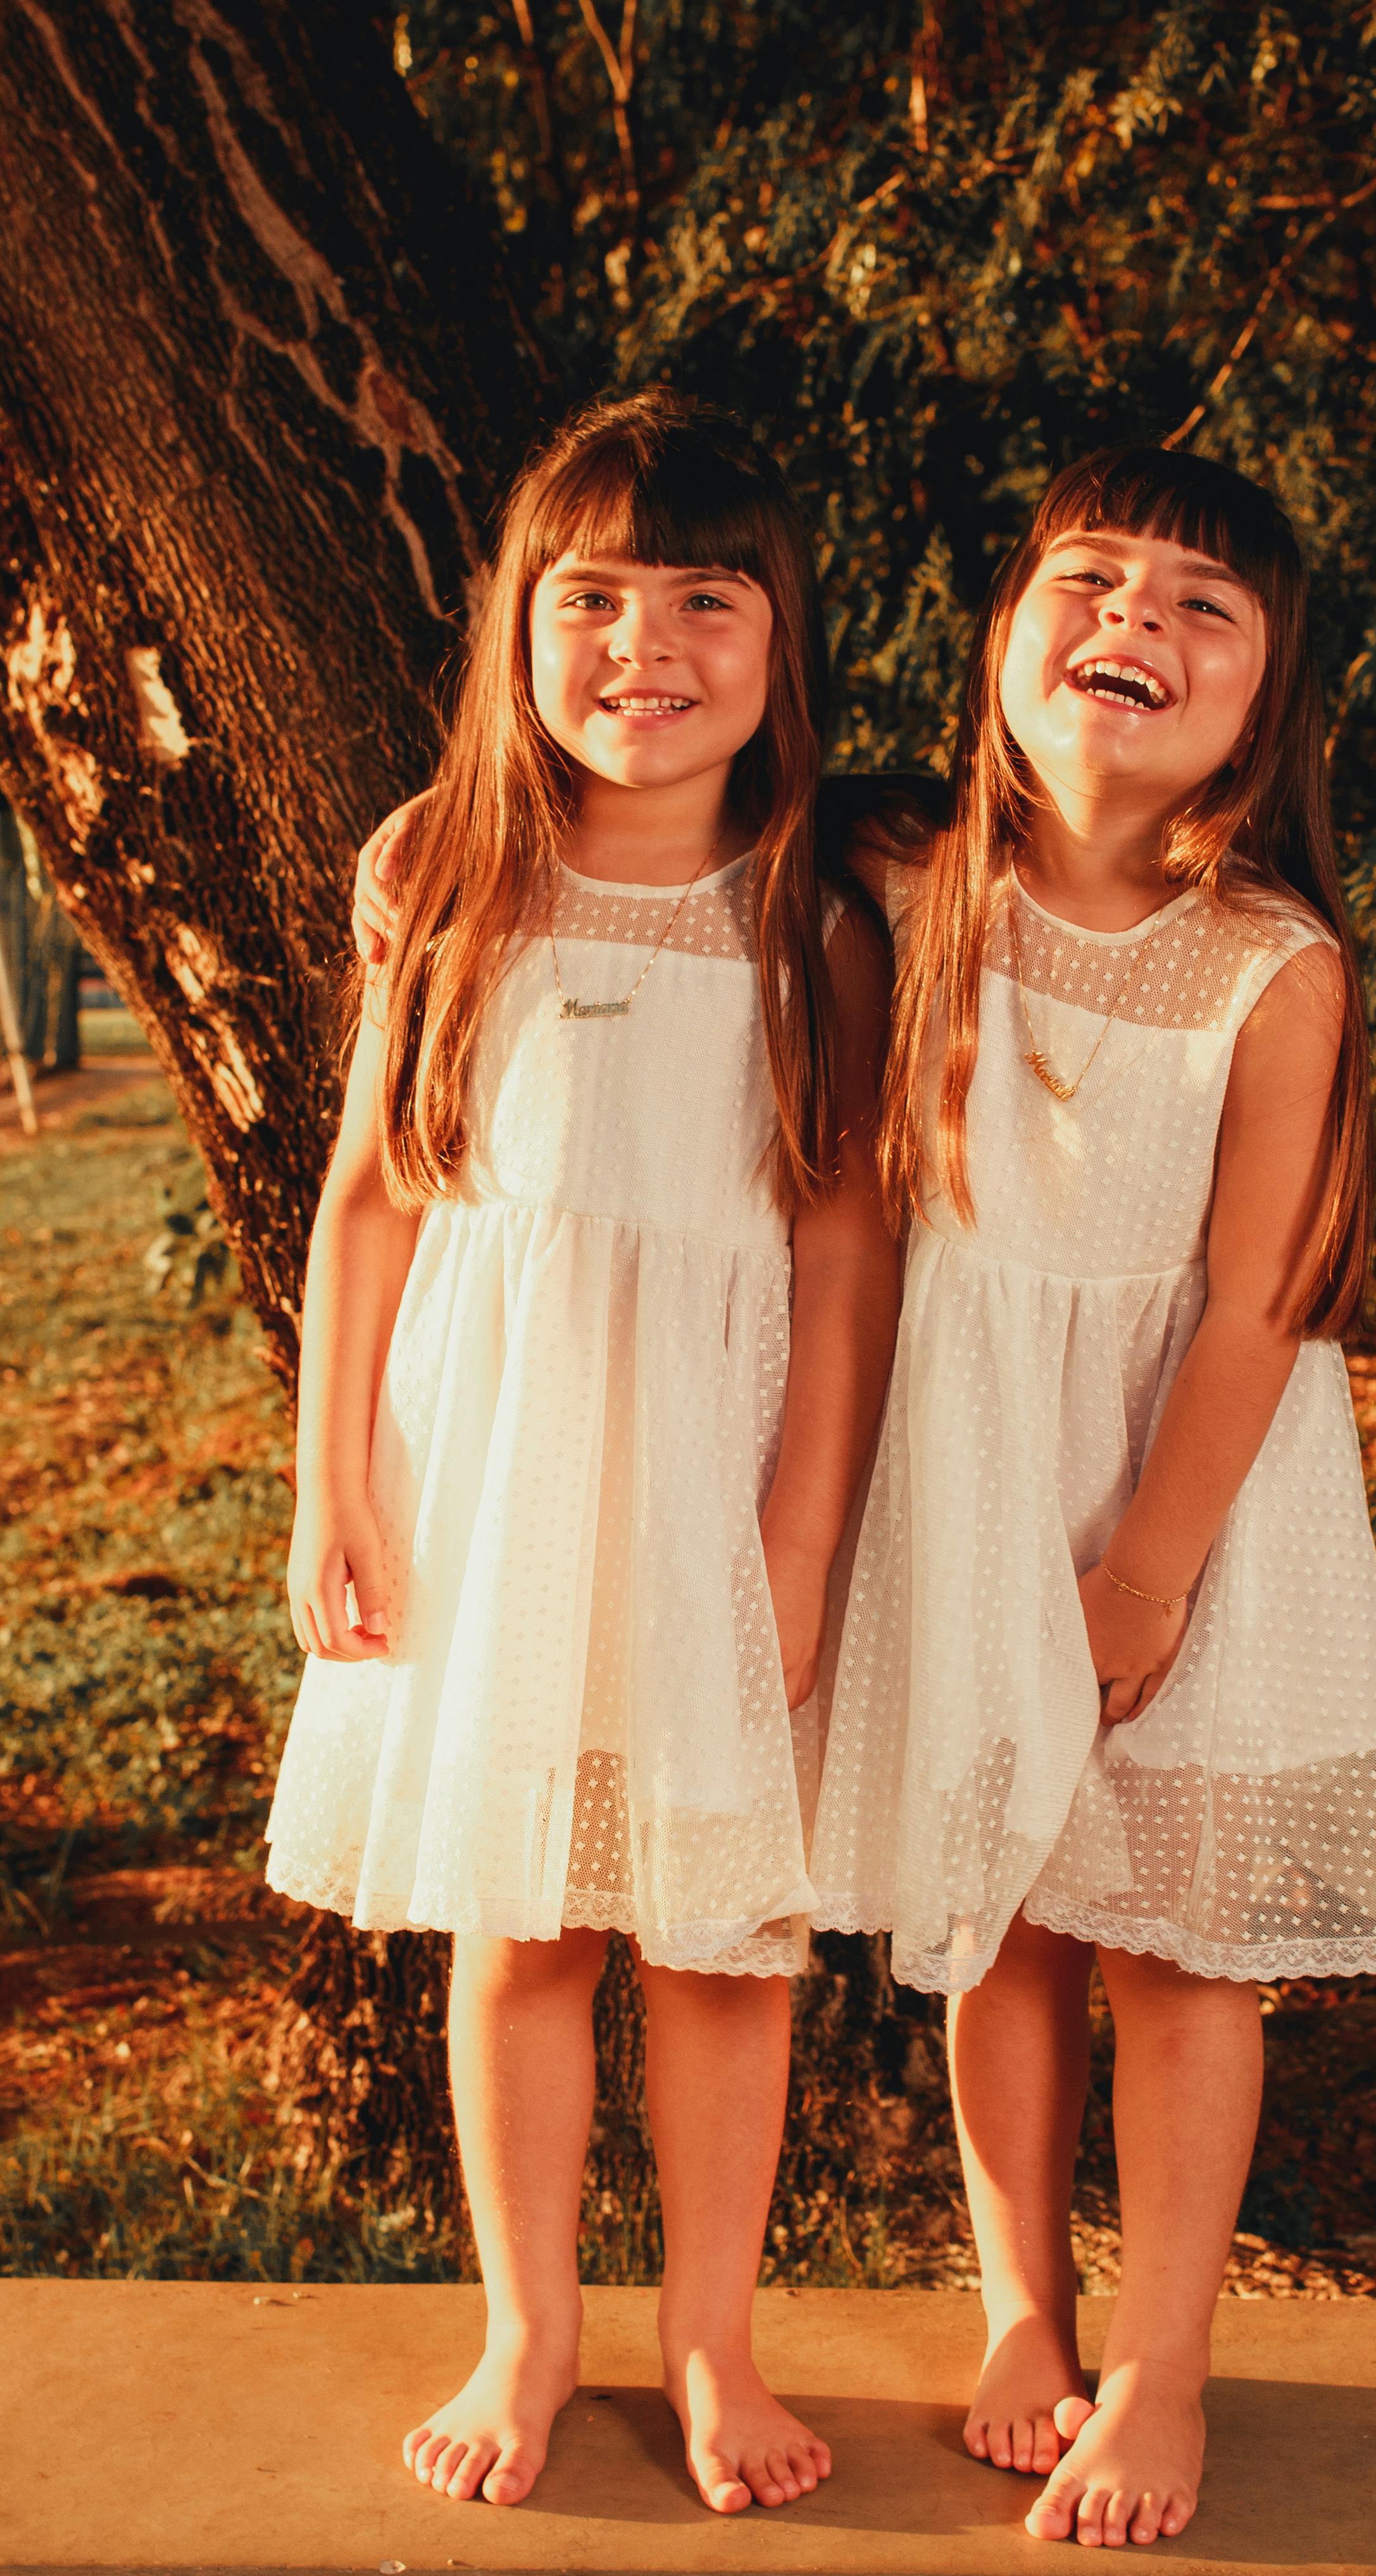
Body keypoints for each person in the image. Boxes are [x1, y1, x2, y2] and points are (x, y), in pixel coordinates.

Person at [268, 391, 899, 2518]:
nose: (646, 645)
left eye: (705, 600)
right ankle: (526, 2333)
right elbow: (370, 1199)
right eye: (595, 598)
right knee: (520, 1923)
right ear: (517, 629)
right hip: (497, 1487)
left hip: (717, 1496)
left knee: (716, 1937)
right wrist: (333, 1482)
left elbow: (843, 1255)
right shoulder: (453, 884)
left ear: (778, 642)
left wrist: (797, 1541)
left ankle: (711, 2341)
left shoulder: (815, 923)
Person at [810, 444, 1376, 2548]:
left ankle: (1160, 2368)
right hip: (975, 1488)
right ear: (999, 638)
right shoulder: (907, 883)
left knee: (1175, 1950)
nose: (1133, 617)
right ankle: (1017, 2314)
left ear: (1263, 703)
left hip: (1194, 1506)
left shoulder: (1268, 965)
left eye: (1198, 605)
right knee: (1005, 1926)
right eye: (1089, 577)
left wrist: (1147, 1573)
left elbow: (1255, 1299)